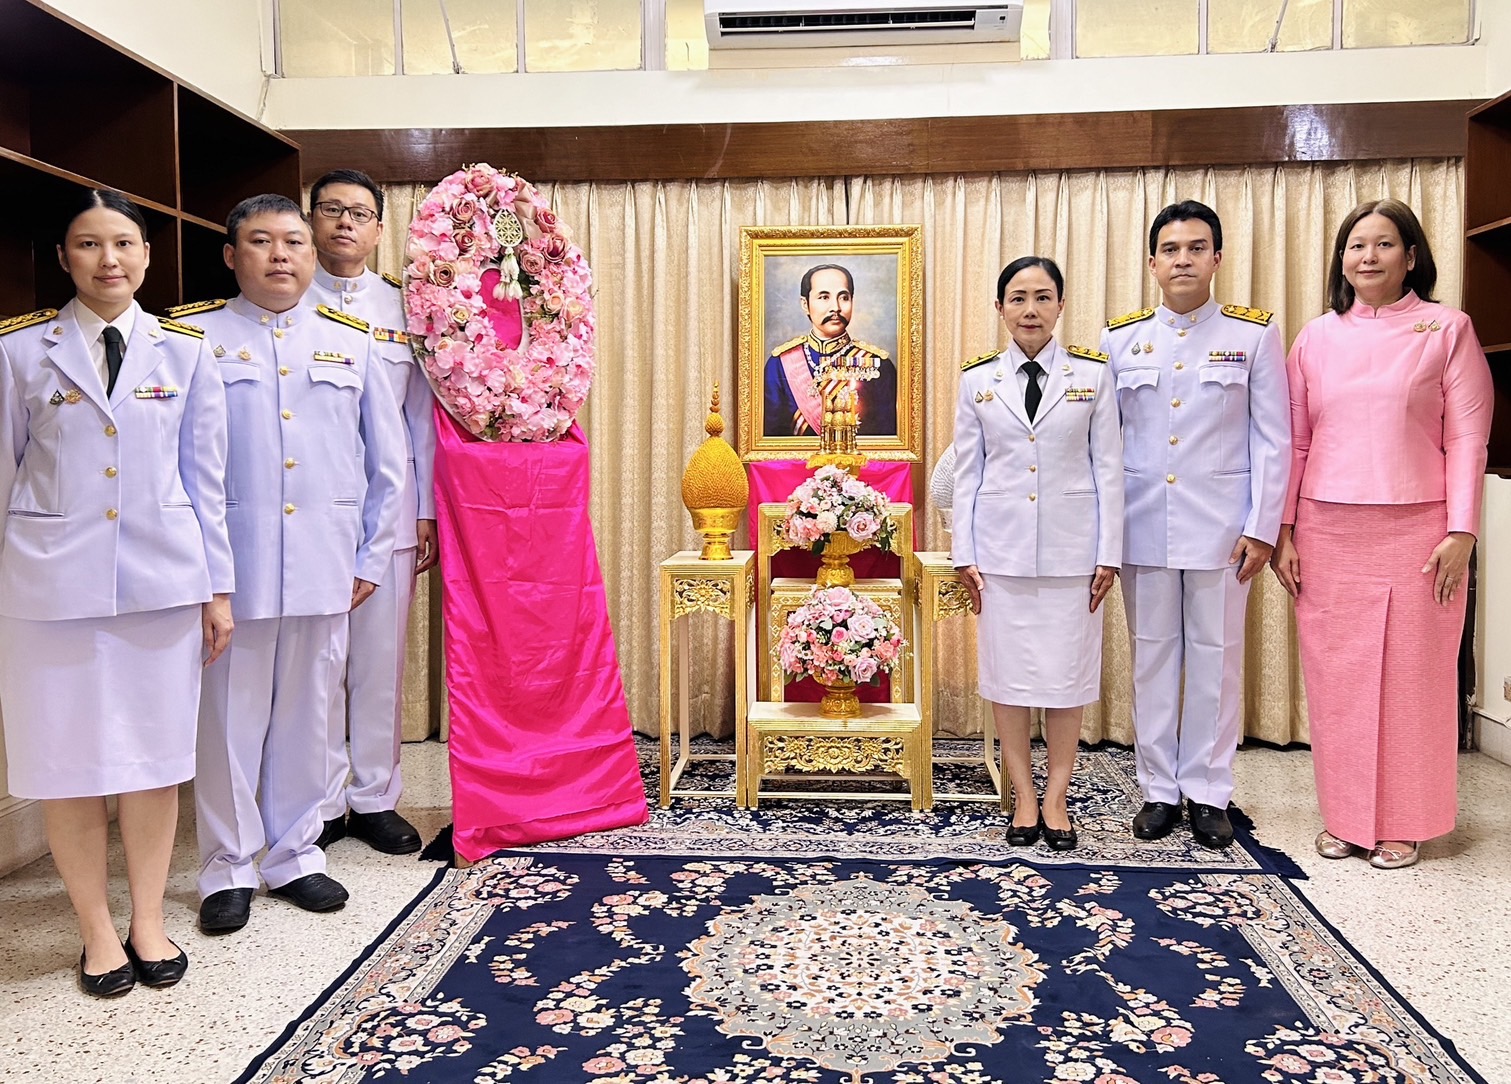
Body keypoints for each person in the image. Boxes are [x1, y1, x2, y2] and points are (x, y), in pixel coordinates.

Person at [0, 189, 233, 995]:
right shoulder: (19, 352)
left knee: (154, 761)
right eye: (90, 245)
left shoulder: (186, 353)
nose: (110, 261)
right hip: (47, 590)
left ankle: (147, 921)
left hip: (161, 584)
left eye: (125, 244)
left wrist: (218, 590)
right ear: (64, 257)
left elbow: (207, 483)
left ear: (145, 255)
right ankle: (96, 932)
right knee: (66, 762)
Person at [185, 194, 405, 934]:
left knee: (310, 717)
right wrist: (203, 575)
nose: (281, 256)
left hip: (324, 564)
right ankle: (227, 866)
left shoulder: (354, 339)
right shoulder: (190, 338)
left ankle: (296, 855)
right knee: (227, 721)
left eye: (292, 243)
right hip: (232, 570)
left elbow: (388, 462)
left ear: (311, 255)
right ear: (231, 255)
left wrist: (372, 553)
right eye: (260, 242)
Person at [1270, 199, 1492, 870]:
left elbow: (1467, 435)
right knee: (1338, 677)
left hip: (1419, 530)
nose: (1366, 256)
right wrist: (1283, 529)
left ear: (1410, 256)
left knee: (1414, 678)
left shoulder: (1446, 328)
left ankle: (1406, 821)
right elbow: (1294, 441)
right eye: (1354, 245)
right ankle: (1345, 817)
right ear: (1341, 260)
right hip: (1327, 528)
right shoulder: (1315, 337)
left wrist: (1462, 530)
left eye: (1382, 244)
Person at [1101, 200, 1290, 849]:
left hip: (1222, 530)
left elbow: (1273, 438)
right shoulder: (1118, 340)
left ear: (1215, 257)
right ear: (1152, 262)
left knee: (1215, 659)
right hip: (1141, 526)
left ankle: (1208, 791)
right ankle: (1157, 788)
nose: (1182, 259)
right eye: (1170, 249)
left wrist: (1263, 525)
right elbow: (1105, 445)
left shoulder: (1253, 335)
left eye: (1195, 247)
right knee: (1151, 658)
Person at [952, 257, 1123, 852]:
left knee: (1067, 682)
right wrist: (962, 553)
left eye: (1042, 297)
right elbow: (967, 475)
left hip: (1075, 557)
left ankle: (1057, 798)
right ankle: (1023, 797)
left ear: (1060, 305)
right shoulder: (978, 381)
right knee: (1009, 681)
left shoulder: (1094, 377)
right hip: (999, 556)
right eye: (1018, 298)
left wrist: (1110, 554)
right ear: (1000, 308)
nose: (1030, 309)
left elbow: (1110, 470)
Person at [304, 169, 437, 856]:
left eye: (359, 213)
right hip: (307, 511)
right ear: (312, 219)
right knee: (318, 660)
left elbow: (419, 416)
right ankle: (322, 801)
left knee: (380, 658)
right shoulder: (287, 300)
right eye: (330, 210)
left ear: (380, 230)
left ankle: (374, 796)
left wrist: (427, 510)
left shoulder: (404, 308)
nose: (344, 224)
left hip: (390, 507)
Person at [763, 264, 898, 437]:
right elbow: (770, 446)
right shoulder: (779, 364)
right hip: (797, 464)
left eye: (843, 297)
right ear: (805, 304)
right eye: (824, 297)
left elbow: (888, 445)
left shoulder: (880, 365)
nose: (835, 307)